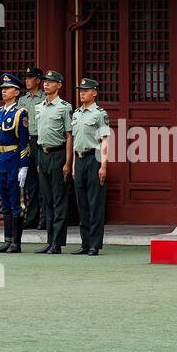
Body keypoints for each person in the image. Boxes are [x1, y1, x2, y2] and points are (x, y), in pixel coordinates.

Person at [31, 70, 72, 254]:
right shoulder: (39, 106)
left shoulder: (65, 107)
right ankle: (49, 240)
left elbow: (69, 136)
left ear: (59, 85)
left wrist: (68, 162)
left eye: (51, 82)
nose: (46, 84)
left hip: (58, 154)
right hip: (43, 154)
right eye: (45, 81)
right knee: (46, 199)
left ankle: (58, 242)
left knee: (58, 200)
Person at [70, 77, 111, 256]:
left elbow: (105, 140)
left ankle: (95, 244)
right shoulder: (76, 113)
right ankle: (85, 243)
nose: (82, 93)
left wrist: (104, 165)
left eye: (85, 90)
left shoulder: (99, 114)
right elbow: (74, 143)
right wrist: (72, 165)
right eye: (80, 90)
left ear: (94, 93)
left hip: (93, 159)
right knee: (82, 204)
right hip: (79, 160)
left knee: (95, 203)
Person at [0, 72, 29, 253]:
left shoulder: (20, 113)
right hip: (2, 160)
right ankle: (7, 240)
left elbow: (24, 142)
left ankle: (16, 242)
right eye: (3, 89)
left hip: (14, 159)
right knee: (4, 201)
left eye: (8, 89)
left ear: (16, 92)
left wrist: (24, 166)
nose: (4, 92)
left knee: (16, 202)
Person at [17, 66, 47, 230]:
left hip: (40, 141)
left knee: (43, 181)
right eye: (26, 78)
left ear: (38, 80)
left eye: (30, 78)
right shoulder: (23, 100)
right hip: (26, 142)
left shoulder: (44, 98)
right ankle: (32, 216)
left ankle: (44, 217)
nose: (27, 81)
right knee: (30, 182)